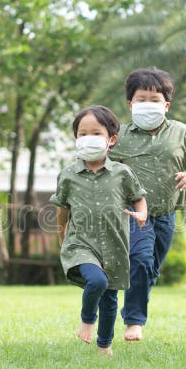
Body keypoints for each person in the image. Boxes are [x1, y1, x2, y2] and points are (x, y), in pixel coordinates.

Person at [109, 67, 186, 342]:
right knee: (141, 260)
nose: (148, 104)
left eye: (154, 99)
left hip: (167, 214)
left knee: (151, 269)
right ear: (130, 104)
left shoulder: (181, 132)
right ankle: (134, 322)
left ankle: (133, 301)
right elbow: (101, 166)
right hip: (133, 213)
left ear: (166, 105)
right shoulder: (119, 136)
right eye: (141, 99)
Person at [50, 105, 148, 356]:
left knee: (109, 300)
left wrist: (142, 213)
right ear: (75, 138)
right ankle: (86, 319)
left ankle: (104, 346)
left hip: (114, 245)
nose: (88, 138)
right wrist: (62, 237)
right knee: (97, 281)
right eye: (82, 134)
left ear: (111, 139)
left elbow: (138, 197)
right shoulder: (68, 175)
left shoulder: (122, 173)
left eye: (96, 133)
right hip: (81, 244)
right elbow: (62, 209)